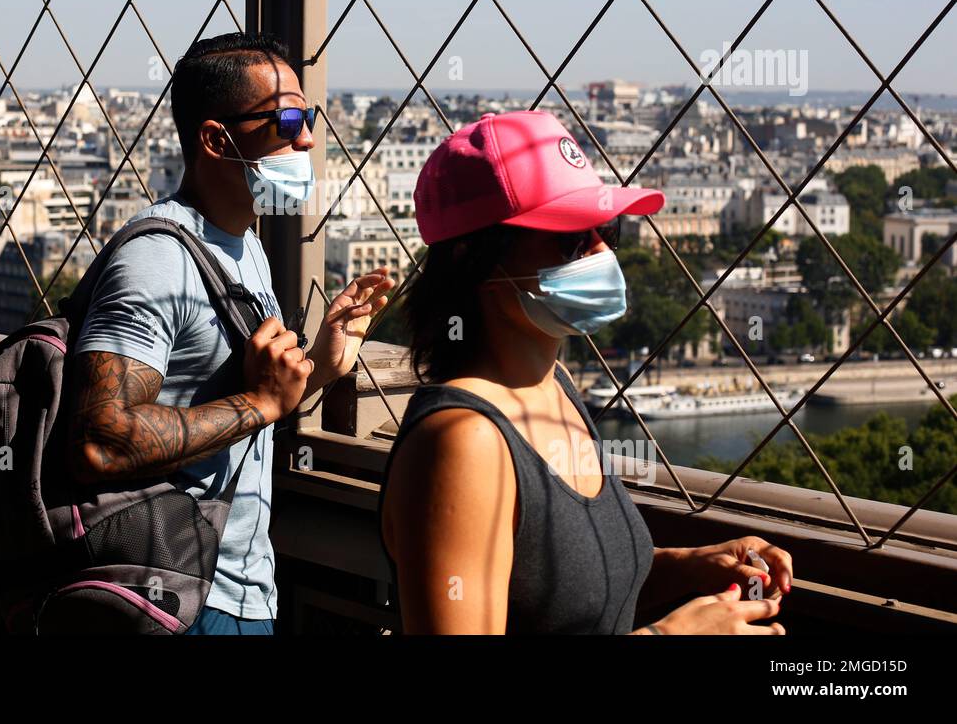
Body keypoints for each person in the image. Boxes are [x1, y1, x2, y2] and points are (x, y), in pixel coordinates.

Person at [378, 110, 794, 634]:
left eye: (606, 229)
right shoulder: (464, 441)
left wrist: (690, 567)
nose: (601, 252)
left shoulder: (556, 390)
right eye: (570, 239)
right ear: (474, 260)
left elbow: (569, 601)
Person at [67, 32, 394, 635]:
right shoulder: (158, 259)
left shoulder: (242, 242)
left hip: (233, 586)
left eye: (309, 116)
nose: (308, 137)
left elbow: (214, 394)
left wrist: (319, 365)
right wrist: (261, 400)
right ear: (217, 139)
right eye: (287, 119)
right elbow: (101, 440)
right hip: (175, 595)